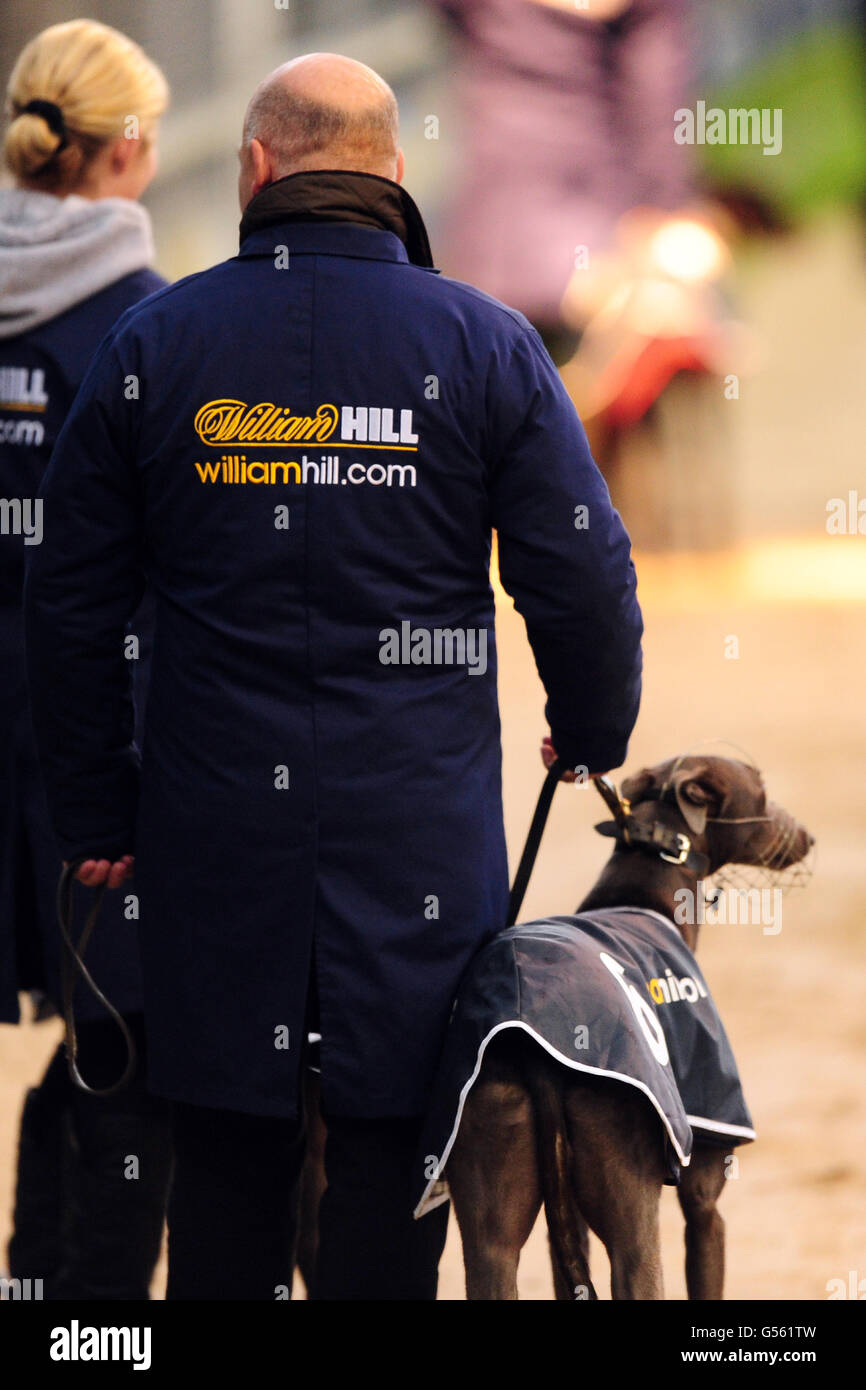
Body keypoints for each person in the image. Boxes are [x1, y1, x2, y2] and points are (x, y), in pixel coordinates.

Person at [24, 52, 643, 1301]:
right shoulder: (486, 344)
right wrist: (590, 729)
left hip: (211, 833)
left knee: (226, 1162)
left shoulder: (155, 344)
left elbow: (70, 605)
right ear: (394, 175)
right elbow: (579, 576)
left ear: (254, 170)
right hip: (415, 833)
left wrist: (95, 810)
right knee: (388, 1152)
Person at [0, 19, 172, 1299]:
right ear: (133, 152)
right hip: (84, 720)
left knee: (88, 1038)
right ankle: (88, 1322)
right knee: (121, 1036)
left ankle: (39, 1297)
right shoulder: (148, 327)